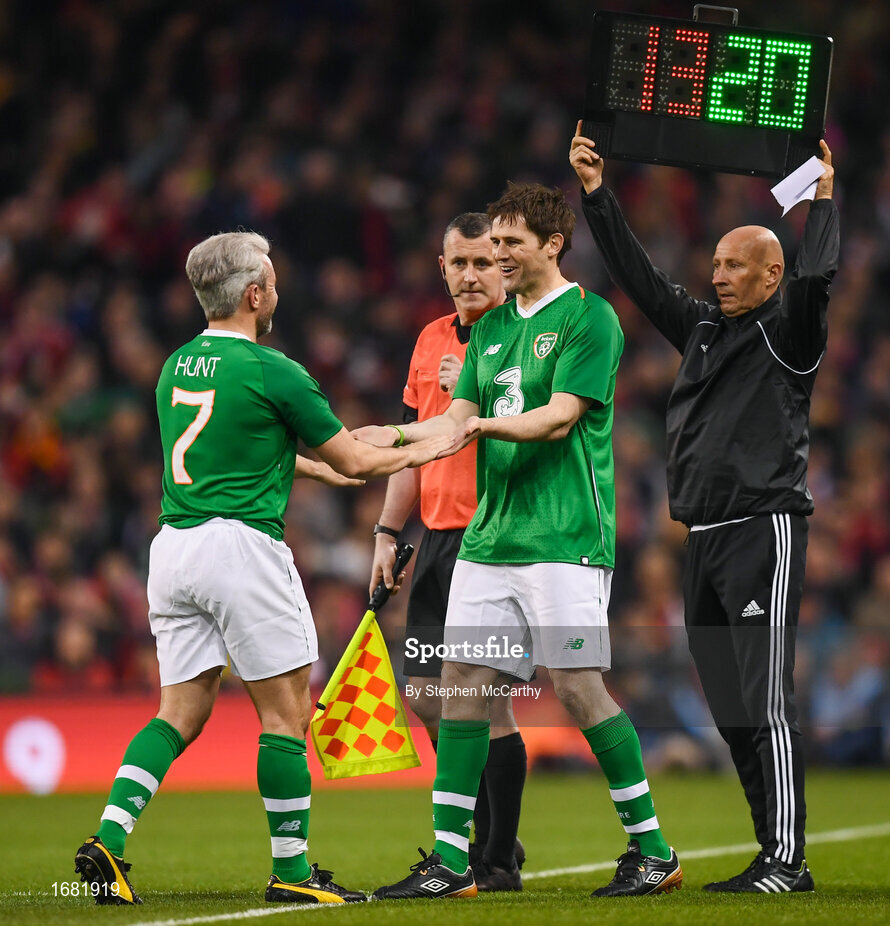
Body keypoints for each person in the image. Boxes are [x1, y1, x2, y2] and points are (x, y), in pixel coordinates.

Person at [73, 231, 452, 906]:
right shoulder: (275, 370)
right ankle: (292, 873)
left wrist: (302, 466)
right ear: (253, 295)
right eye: (271, 282)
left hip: (175, 548)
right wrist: (440, 436)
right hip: (241, 550)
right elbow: (359, 462)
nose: (277, 291)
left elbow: (233, 451)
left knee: (179, 714)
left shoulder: (175, 367)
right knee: (285, 716)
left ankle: (110, 837)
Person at [361, 182, 682, 900]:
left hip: (564, 537)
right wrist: (391, 440)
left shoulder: (589, 319)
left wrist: (473, 428)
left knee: (575, 687)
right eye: (491, 244)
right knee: (460, 689)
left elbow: (560, 417)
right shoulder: (492, 329)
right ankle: (452, 863)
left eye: (509, 244)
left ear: (551, 245)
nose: (497, 255)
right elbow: (451, 422)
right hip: (488, 540)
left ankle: (652, 848)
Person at [570, 124, 838, 893]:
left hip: (763, 528)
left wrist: (823, 198)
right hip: (706, 538)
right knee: (728, 706)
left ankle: (788, 859)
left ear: (769, 275)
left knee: (764, 698)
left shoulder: (790, 332)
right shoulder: (704, 333)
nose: (715, 275)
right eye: (714, 262)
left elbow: (817, 278)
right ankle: (768, 851)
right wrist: (596, 193)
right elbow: (642, 278)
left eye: (732, 265)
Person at [371, 212, 527, 891]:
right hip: (435, 538)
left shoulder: (522, 334)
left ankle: (490, 858)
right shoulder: (429, 339)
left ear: (504, 265)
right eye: (458, 263)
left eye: (482, 262)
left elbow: (536, 432)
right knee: (430, 698)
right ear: (442, 268)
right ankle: (491, 843)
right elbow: (410, 449)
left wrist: (473, 381)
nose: (469, 274)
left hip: (495, 537)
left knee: (489, 704)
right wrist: (386, 533)